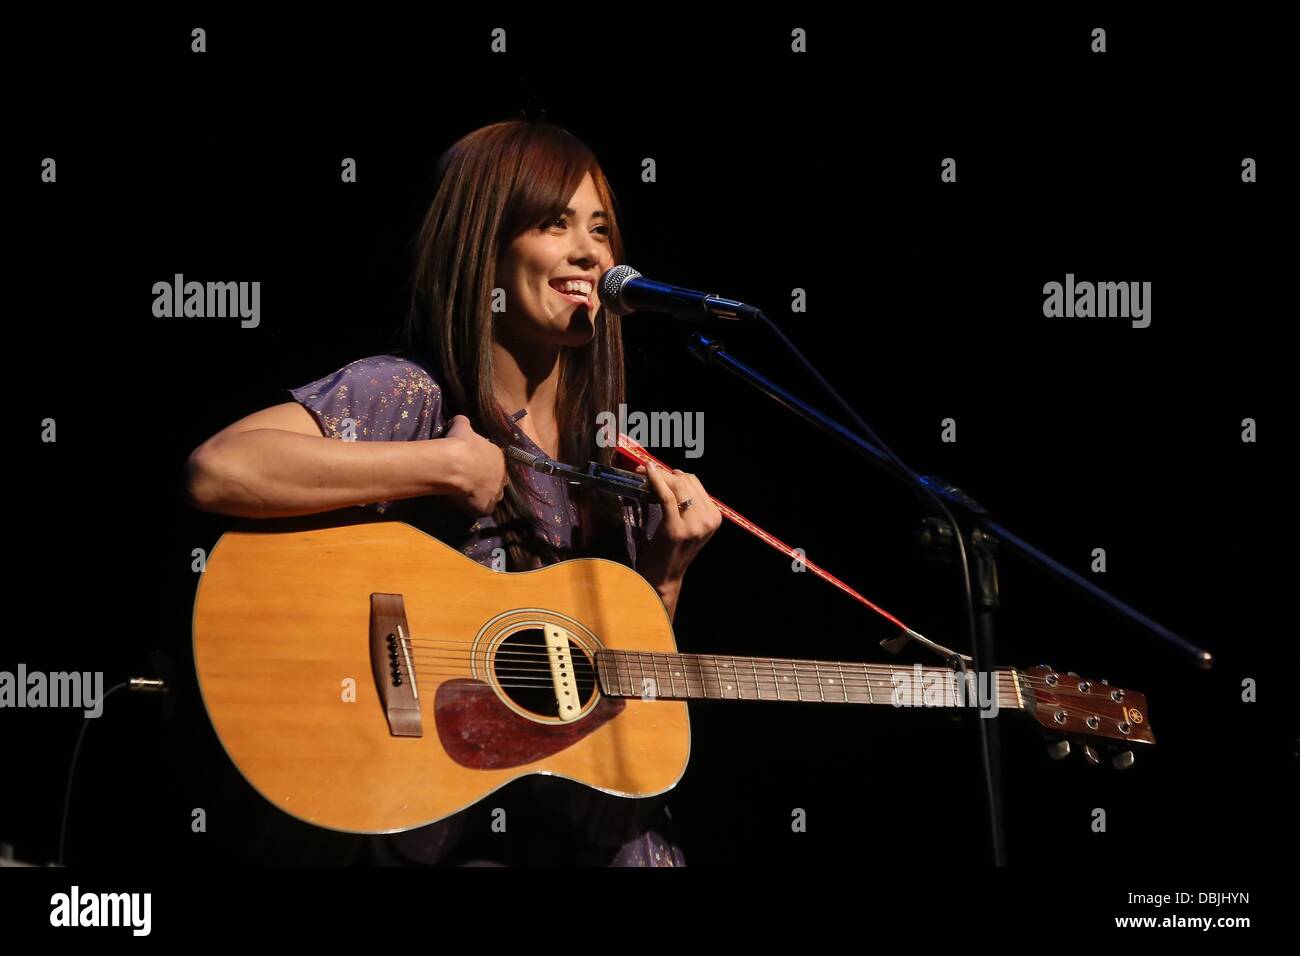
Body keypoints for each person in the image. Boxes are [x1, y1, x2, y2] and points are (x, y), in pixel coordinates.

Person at [184, 119, 723, 865]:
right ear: (486, 246)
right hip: (410, 820)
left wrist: (663, 580)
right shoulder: (414, 396)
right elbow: (220, 468)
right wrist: (439, 465)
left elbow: (606, 760)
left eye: (601, 229)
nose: (591, 253)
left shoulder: (615, 479)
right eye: (553, 223)